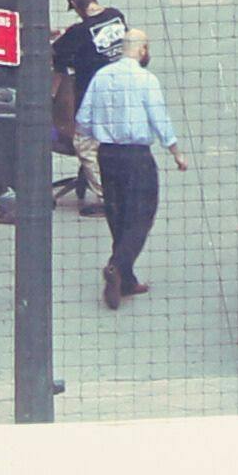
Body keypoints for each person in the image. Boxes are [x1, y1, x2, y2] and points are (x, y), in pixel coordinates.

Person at [77, 25, 186, 305]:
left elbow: (83, 120)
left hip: (108, 155)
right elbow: (159, 118)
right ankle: (116, 266)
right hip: (137, 156)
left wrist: (101, 133)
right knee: (141, 215)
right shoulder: (145, 79)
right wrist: (175, 151)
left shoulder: (101, 77)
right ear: (142, 50)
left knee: (117, 214)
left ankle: (125, 280)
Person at [46, 0, 127, 216]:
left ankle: (108, 198)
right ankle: (123, 189)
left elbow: (57, 56)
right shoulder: (116, 16)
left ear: (75, 5)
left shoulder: (79, 32)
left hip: (96, 101)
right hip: (121, 94)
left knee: (86, 145)